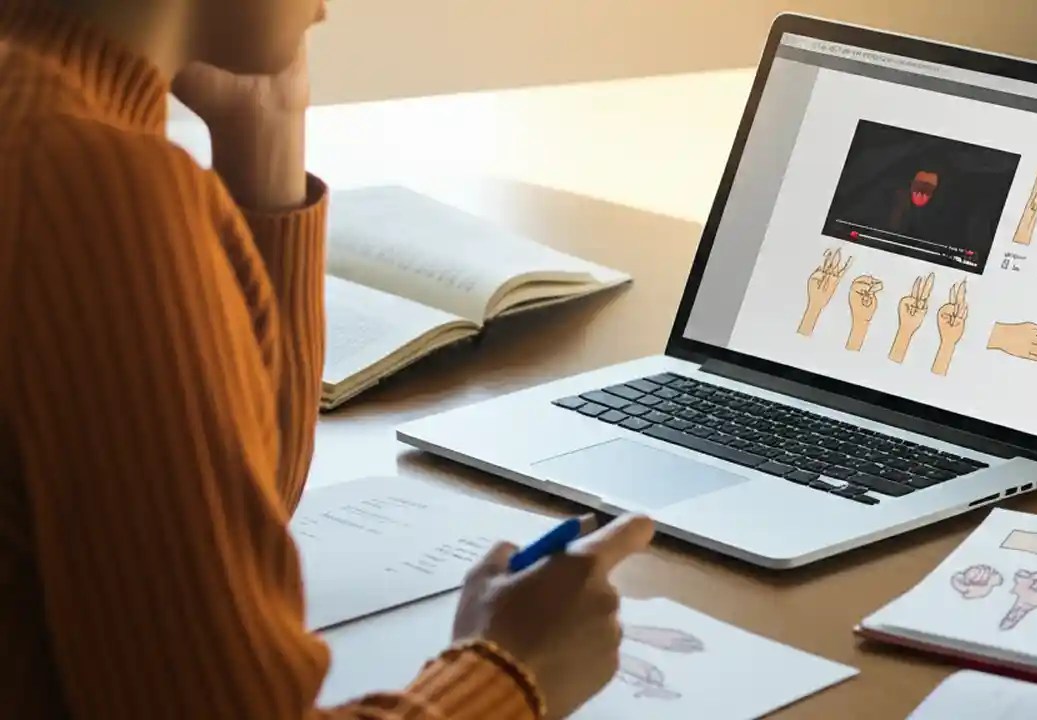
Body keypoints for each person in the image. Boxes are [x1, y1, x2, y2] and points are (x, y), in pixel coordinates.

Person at [0, 1, 655, 718]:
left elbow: (227, 513)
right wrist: (511, 671)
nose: (323, 8)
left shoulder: (43, 124)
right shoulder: (94, 194)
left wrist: (265, 128)